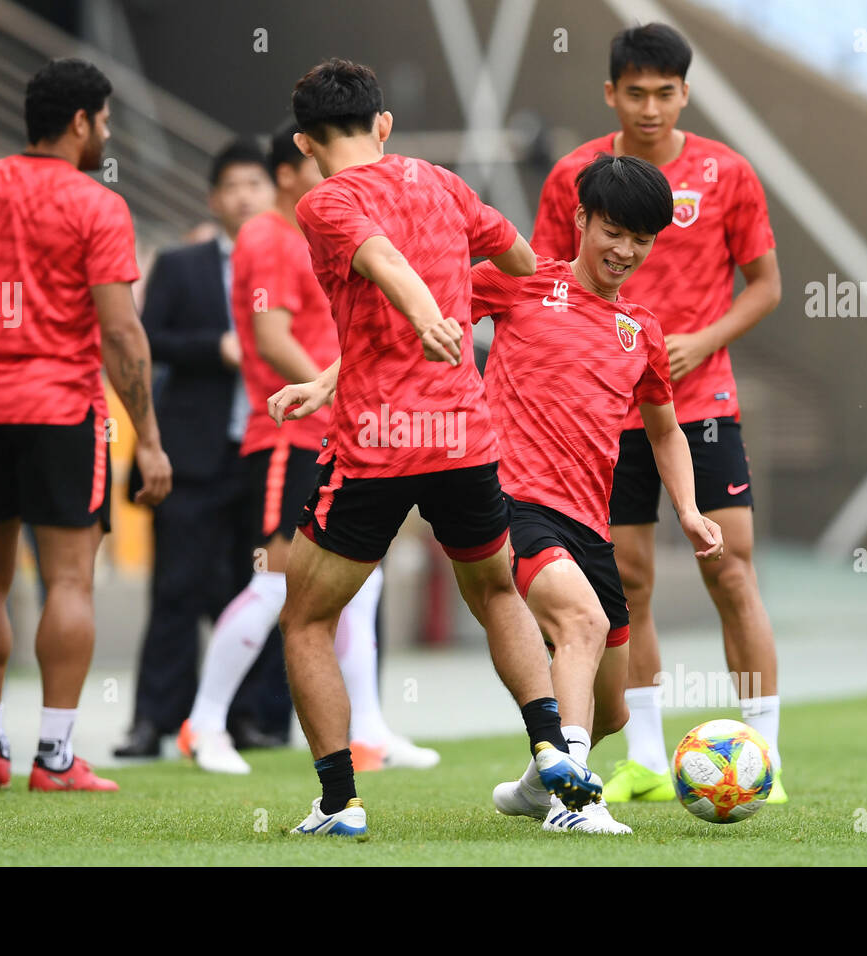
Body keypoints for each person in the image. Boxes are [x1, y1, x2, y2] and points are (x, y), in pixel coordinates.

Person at [268, 59, 600, 837]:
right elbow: (518, 257)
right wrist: (343, 369)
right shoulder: (442, 183)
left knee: (307, 622)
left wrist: (421, 315)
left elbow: (383, 263)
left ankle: (339, 801)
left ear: (304, 142)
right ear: (383, 125)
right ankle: (551, 746)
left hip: (380, 443)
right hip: (461, 433)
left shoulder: (323, 201)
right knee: (495, 595)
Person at [530, 22, 785, 804]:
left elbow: (766, 286)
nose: (649, 106)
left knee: (730, 565)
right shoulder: (575, 175)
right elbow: (543, 281)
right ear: (610, 93)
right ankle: (642, 752)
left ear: (685, 92)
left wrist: (696, 341)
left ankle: (763, 755)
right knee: (627, 580)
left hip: (699, 401)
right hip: (607, 411)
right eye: (634, 92)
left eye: (664, 92)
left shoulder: (728, 173)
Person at [0, 57, 172, 792]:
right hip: (62, 412)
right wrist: (147, 438)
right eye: (106, 120)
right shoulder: (98, 206)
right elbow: (121, 335)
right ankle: (54, 758)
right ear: (81, 121)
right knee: (69, 581)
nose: (106, 133)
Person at [180, 123, 438, 775]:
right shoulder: (269, 234)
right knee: (276, 584)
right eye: (321, 157)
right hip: (288, 439)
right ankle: (203, 724)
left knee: (365, 583)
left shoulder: (312, 230)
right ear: (295, 166)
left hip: (336, 431)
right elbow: (268, 338)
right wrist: (333, 392)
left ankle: (370, 729)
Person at [480, 155, 722, 834]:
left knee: (612, 708)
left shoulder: (640, 330)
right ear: (581, 219)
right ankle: (573, 803)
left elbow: (666, 430)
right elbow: (429, 302)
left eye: (641, 239)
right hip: (512, 502)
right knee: (580, 624)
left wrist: (689, 509)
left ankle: (539, 780)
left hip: (591, 527)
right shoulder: (521, 283)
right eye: (614, 231)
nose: (625, 251)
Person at [113, 140, 286, 759]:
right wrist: (218, 347)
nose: (243, 196)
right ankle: (151, 721)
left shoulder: (292, 258)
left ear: (275, 192)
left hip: (265, 453)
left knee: (256, 586)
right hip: (193, 450)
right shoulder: (182, 264)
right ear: (214, 198)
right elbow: (148, 339)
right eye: (231, 186)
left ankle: (249, 719)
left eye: (254, 184)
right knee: (175, 587)